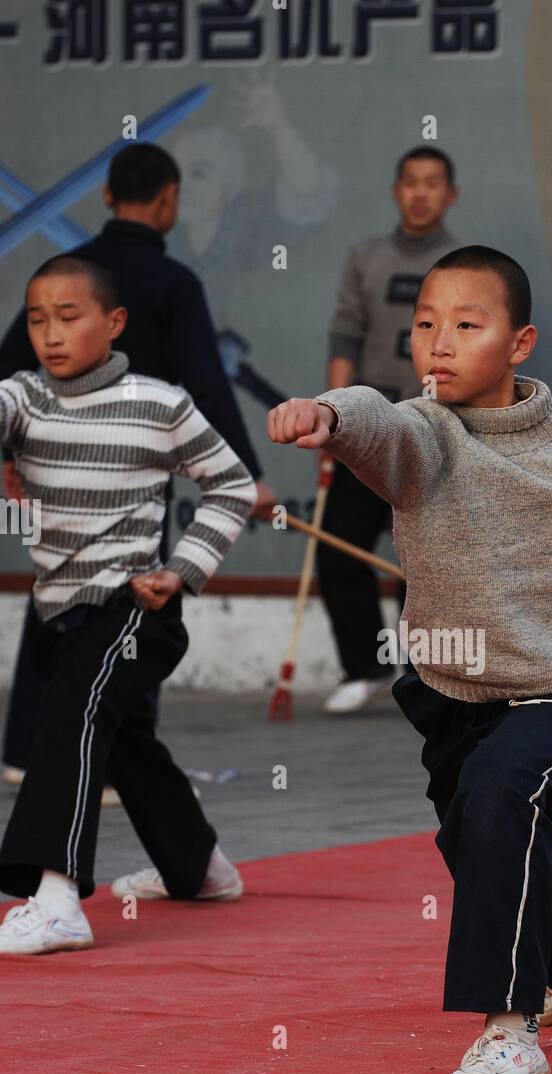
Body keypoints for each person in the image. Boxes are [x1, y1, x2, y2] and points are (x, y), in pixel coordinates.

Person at [267, 246, 552, 1074]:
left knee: (504, 795)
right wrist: (328, 414)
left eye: (466, 326)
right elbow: (376, 417)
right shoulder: (425, 437)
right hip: (449, 689)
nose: (439, 343)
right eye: (425, 326)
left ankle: (508, 1027)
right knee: (473, 826)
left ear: (519, 342)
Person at [0, 255, 256, 956]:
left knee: (73, 715)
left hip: (136, 607)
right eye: (37, 318)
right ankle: (199, 868)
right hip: (60, 611)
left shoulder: (160, 402)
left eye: (69, 315)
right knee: (122, 742)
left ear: (113, 323)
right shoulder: (25, 399)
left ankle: (55, 898)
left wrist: (182, 569)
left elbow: (230, 487)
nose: (50, 333)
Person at [0, 142, 277, 782]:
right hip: (131, 474)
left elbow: (11, 369)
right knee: (132, 609)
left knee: (56, 593)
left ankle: (24, 751)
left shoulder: (65, 277)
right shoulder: (173, 283)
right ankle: (111, 761)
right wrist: (248, 476)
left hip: (55, 470)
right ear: (169, 201)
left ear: (105, 196)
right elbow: (206, 385)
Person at [318, 146, 462, 713]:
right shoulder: (366, 256)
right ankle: (363, 667)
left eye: (432, 183)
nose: (420, 192)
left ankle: (422, 672)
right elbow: (345, 335)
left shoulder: (463, 262)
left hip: (438, 424)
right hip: (370, 422)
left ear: (450, 195)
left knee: (422, 554)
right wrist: (332, 416)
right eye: (410, 182)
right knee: (338, 552)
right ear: (395, 191)